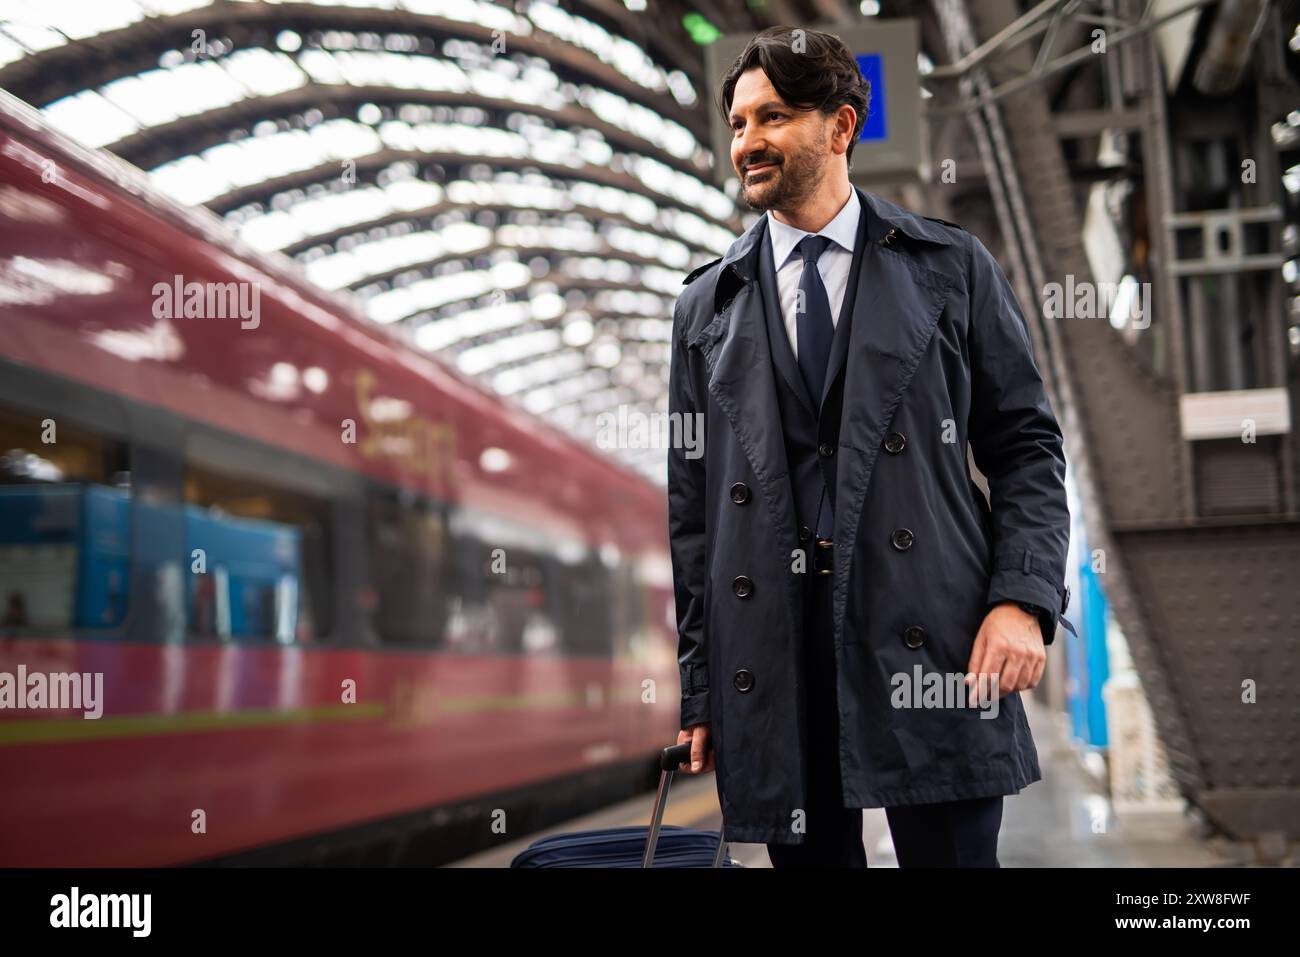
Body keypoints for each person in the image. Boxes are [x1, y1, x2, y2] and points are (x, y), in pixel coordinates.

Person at [667, 25, 1072, 867]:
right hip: (777, 653)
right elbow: (692, 519)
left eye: (772, 118)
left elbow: (1027, 445)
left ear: (841, 127)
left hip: (937, 634)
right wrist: (702, 690)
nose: (747, 144)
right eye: (738, 124)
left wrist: (1023, 598)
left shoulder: (950, 268)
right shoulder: (705, 307)